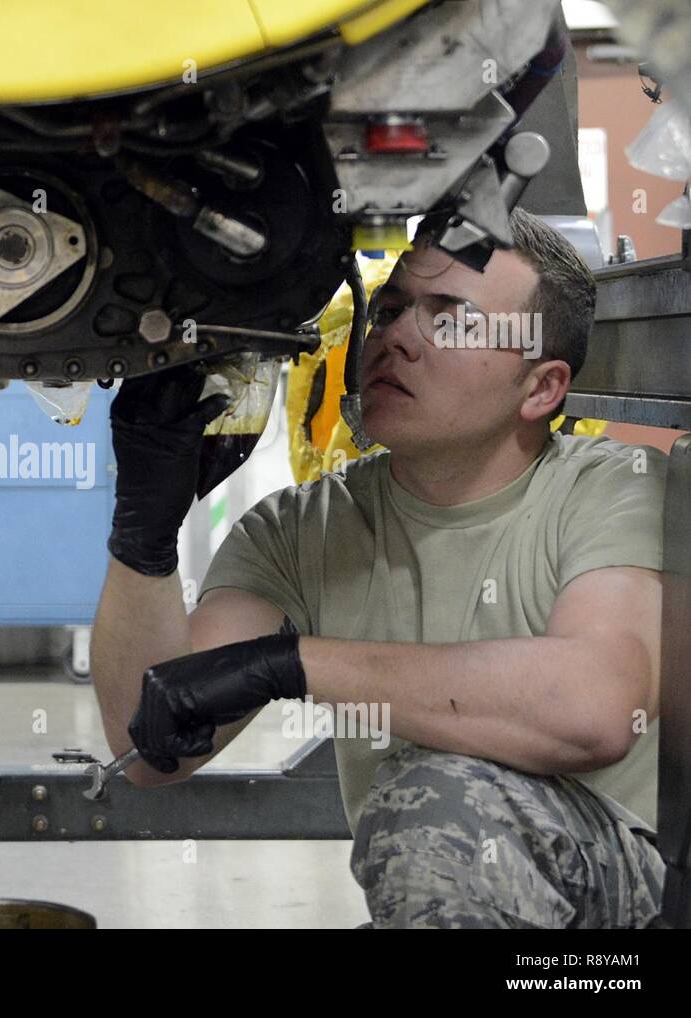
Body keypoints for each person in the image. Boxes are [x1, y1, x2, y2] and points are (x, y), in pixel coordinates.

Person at [90, 208, 666, 928]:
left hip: (618, 902)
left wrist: (291, 663)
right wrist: (144, 533)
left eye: (450, 319)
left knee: (438, 801)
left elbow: (595, 710)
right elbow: (153, 751)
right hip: (455, 900)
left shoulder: (611, 488)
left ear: (541, 388)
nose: (396, 337)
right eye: (390, 310)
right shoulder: (301, 529)